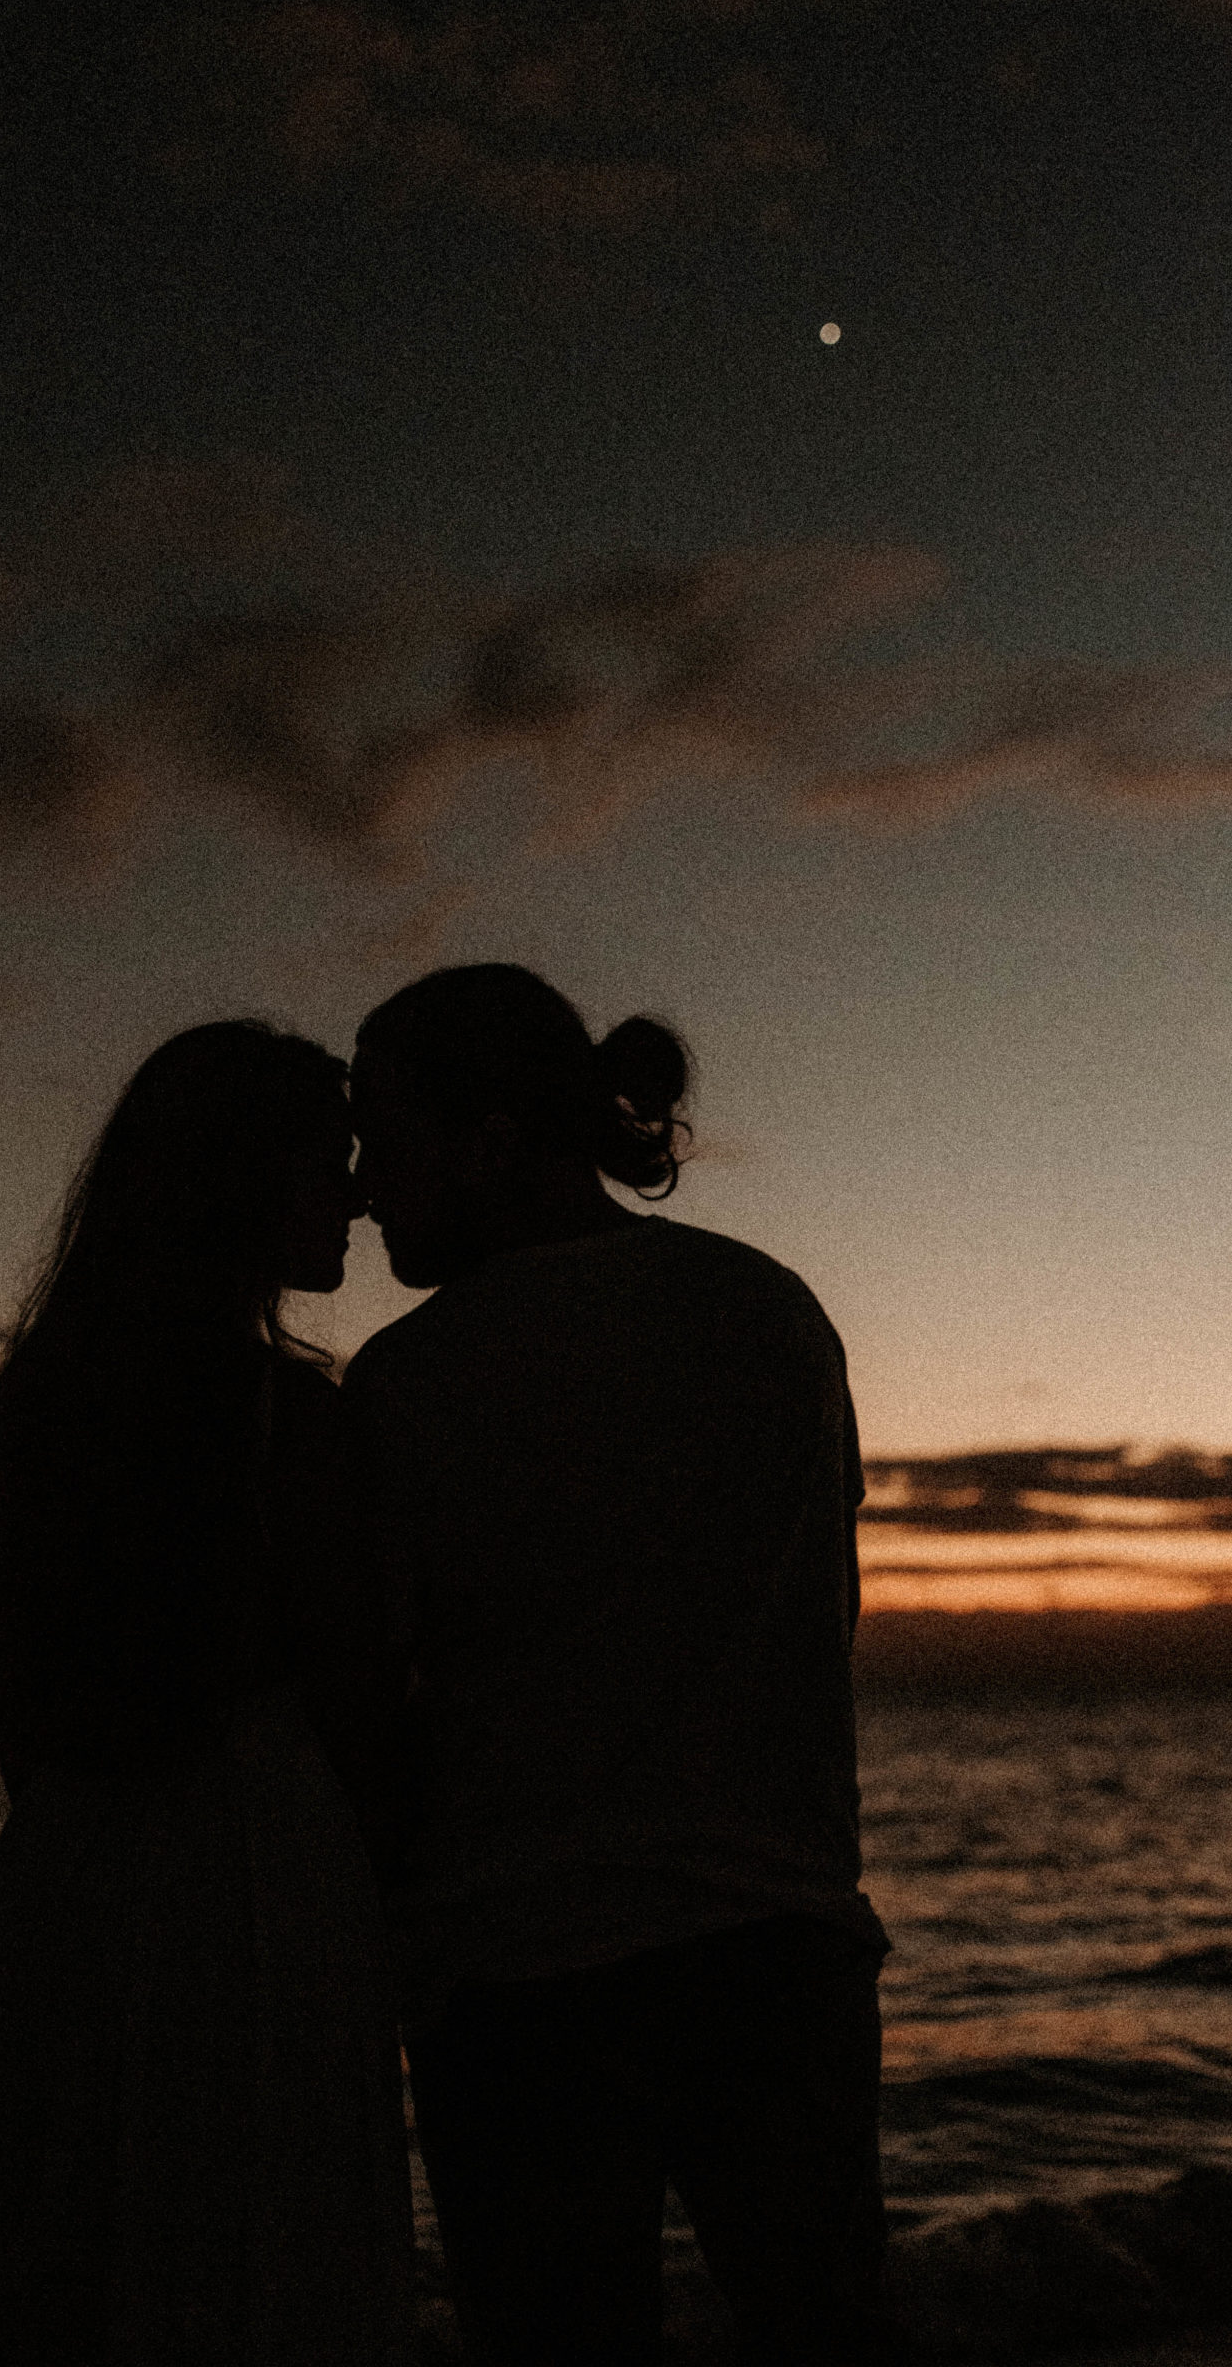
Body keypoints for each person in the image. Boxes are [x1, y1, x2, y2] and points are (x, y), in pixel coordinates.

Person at [341, 963, 904, 2367]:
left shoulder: (411, 1381)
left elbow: (380, 1694)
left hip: (524, 1979)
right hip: (781, 1950)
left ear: (486, 1140)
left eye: (382, 1138)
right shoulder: (771, 1313)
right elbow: (806, 1614)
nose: (360, 1187)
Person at [0, 1021, 417, 2367]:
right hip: (258, 1881)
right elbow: (361, 1709)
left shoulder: (43, 1408)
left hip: (67, 1876)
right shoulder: (296, 1425)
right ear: (238, 1184)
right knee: (269, 2256)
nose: (360, 1196)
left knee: (93, 2268)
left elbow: (30, 1718)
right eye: (328, 1168)